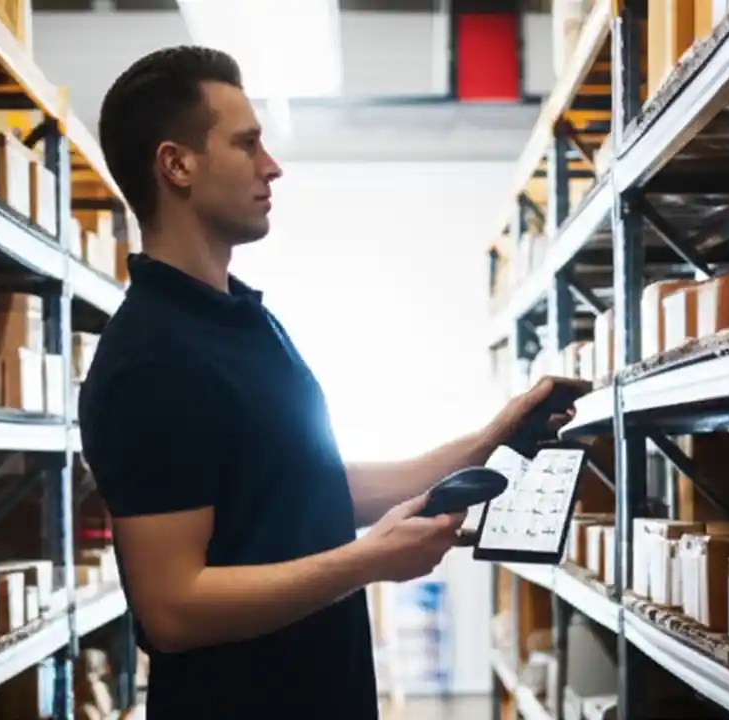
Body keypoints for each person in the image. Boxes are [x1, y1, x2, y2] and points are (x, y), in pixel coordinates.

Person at [79, 45, 578, 718]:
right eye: (247, 143)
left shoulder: (245, 323)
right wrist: (369, 560)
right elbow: (174, 609)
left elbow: (303, 488)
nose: (271, 166)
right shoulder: (149, 360)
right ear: (177, 164)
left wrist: (486, 444)